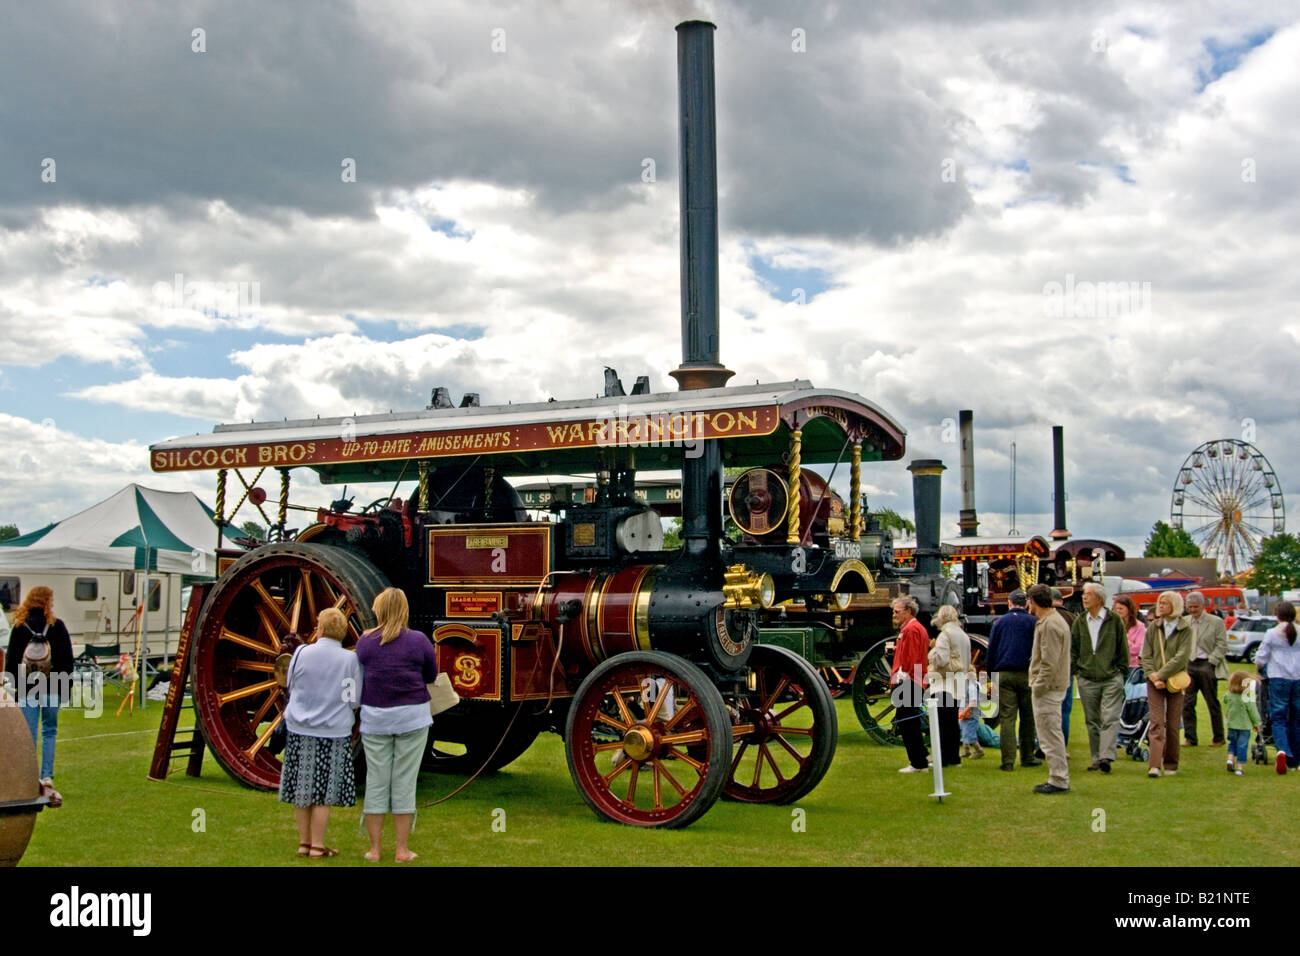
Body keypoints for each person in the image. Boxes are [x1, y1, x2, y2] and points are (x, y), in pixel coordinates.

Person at [355, 587, 437, 861]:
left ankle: (375, 850)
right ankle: (402, 850)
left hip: (376, 717)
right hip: (412, 717)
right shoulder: (419, 640)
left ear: (379, 610)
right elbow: (431, 674)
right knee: (404, 782)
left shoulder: (365, 642)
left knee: (377, 782)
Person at [279, 608, 363, 859]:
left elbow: (291, 685)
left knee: (302, 789)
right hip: (333, 730)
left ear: (321, 629)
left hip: (300, 727)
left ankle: (304, 843)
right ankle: (317, 845)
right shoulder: (350, 660)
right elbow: (353, 699)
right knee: (323, 793)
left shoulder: (302, 653)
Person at [3, 586, 73, 807]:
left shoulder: (19, 627)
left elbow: (12, 660)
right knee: (49, 731)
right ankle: (46, 775)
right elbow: (66, 660)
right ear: (46, 603)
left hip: (27, 688)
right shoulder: (57, 626)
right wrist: (65, 686)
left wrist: (16, 686)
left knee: (29, 733)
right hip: (52, 685)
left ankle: (29, 776)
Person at [1070, 582, 1129, 773]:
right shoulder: (1079, 621)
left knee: (1110, 717)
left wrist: (1121, 670)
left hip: (1111, 677)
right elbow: (1073, 649)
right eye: (1084, 595)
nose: (1084, 597)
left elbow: (1123, 648)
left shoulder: (1114, 620)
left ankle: (1106, 756)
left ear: (1099, 598)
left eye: (1088, 594)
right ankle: (1096, 758)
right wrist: (1076, 670)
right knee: (1092, 720)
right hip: (1087, 677)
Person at [1140, 591, 1192, 778]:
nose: (1160, 606)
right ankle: (1154, 765)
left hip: (1175, 682)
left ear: (1175, 605)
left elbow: (1182, 657)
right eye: (1159, 603)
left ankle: (1171, 763)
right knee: (1156, 722)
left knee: (1172, 723)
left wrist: (1162, 675)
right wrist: (1153, 676)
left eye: (1165, 603)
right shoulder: (1154, 626)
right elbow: (1146, 654)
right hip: (1154, 681)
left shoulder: (1186, 628)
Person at [987, 589, 1040, 771]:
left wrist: (991, 674)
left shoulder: (999, 623)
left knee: (1007, 718)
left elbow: (991, 650)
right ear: (1026, 604)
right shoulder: (1034, 622)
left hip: (1004, 673)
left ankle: (1007, 761)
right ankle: (1027, 756)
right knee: (1028, 717)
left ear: (1009, 603)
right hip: (1027, 673)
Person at [1027, 584, 1070, 794]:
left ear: (1033, 602)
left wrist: (1038, 686)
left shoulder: (1050, 625)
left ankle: (1059, 779)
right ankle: (1057, 776)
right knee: (1051, 733)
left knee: (1050, 734)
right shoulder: (1051, 621)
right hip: (1053, 685)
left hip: (1048, 688)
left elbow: (1049, 662)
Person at [1256, 600, 1300, 775]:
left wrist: (1259, 667)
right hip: (1298, 678)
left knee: (1279, 717)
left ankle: (1283, 751)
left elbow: (1261, 657)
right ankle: (1296, 760)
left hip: (1278, 678)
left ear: (1277, 616)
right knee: (1297, 719)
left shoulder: (1272, 633)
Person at [889, 595, 931, 773]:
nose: (894, 615)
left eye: (897, 611)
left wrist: (901, 674)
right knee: (910, 720)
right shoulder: (915, 628)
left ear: (908, 612)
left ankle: (918, 763)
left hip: (908, 680)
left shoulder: (911, 630)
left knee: (907, 723)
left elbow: (911, 658)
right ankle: (921, 756)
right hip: (915, 678)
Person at [1182, 591, 1229, 747]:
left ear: (1203, 606)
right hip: (1189, 664)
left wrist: (1212, 662)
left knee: (1212, 702)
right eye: (1190, 607)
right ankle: (1190, 738)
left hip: (1207, 664)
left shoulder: (1216, 622)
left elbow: (1222, 644)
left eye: (1196, 607)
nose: (1193, 610)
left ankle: (1219, 737)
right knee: (1187, 703)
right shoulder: (1184, 621)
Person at [928, 604, 971, 768]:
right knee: (952, 723)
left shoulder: (944, 635)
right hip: (959, 683)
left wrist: (932, 651)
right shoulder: (963, 634)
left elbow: (941, 660)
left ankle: (943, 758)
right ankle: (954, 758)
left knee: (942, 724)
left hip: (944, 684)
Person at [1222, 670, 1260, 776]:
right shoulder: (1247, 696)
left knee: (1232, 743)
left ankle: (1230, 759)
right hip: (1244, 726)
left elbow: (1224, 700)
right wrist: (1256, 724)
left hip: (1231, 725)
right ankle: (1239, 767)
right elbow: (1253, 711)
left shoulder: (1229, 695)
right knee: (1242, 746)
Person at [1052, 587, 1076, 746]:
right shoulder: (1072, 618)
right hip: (1067, 668)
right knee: (1065, 710)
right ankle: (1062, 743)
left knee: (1048, 709)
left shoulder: (1046, 617)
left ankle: (1045, 743)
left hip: (1050, 669)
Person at [1113, 594, 1145, 668]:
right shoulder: (1112, 625)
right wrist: (1131, 644)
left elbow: (1137, 649)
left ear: (1129, 609)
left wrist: (1123, 642)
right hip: (1115, 667)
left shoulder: (1140, 626)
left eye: (1121, 609)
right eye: (1116, 609)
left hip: (1132, 666)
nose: (1118, 611)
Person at [959, 669, 984, 759]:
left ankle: (979, 750)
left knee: (970, 733)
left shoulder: (972, 687)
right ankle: (967, 751)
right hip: (965, 714)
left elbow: (973, 702)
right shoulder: (971, 685)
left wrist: (964, 711)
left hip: (970, 714)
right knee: (964, 732)